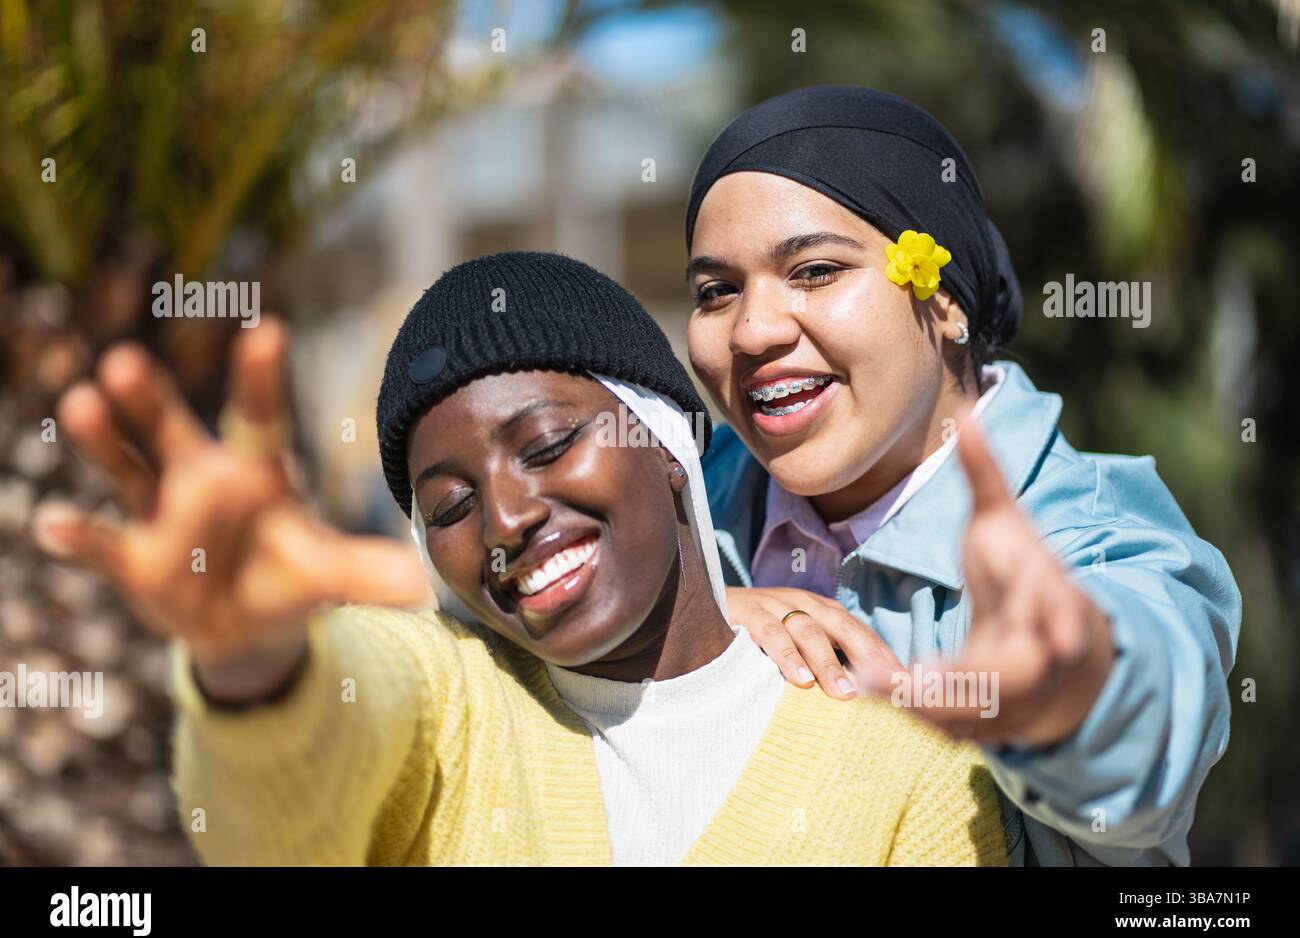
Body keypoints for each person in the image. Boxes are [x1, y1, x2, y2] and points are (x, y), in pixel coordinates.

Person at [32, 251, 1007, 866]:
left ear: (668, 452)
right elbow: (283, 823)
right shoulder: (450, 700)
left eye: (546, 447)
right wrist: (253, 663)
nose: (504, 518)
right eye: (447, 505)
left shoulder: (896, 760)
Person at [685, 85, 1241, 866]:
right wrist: (685, 618)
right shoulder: (680, 507)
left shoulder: (1081, 530)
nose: (751, 329)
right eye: (716, 291)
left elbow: (1150, 727)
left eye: (813, 270)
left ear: (944, 300)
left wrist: (1062, 687)